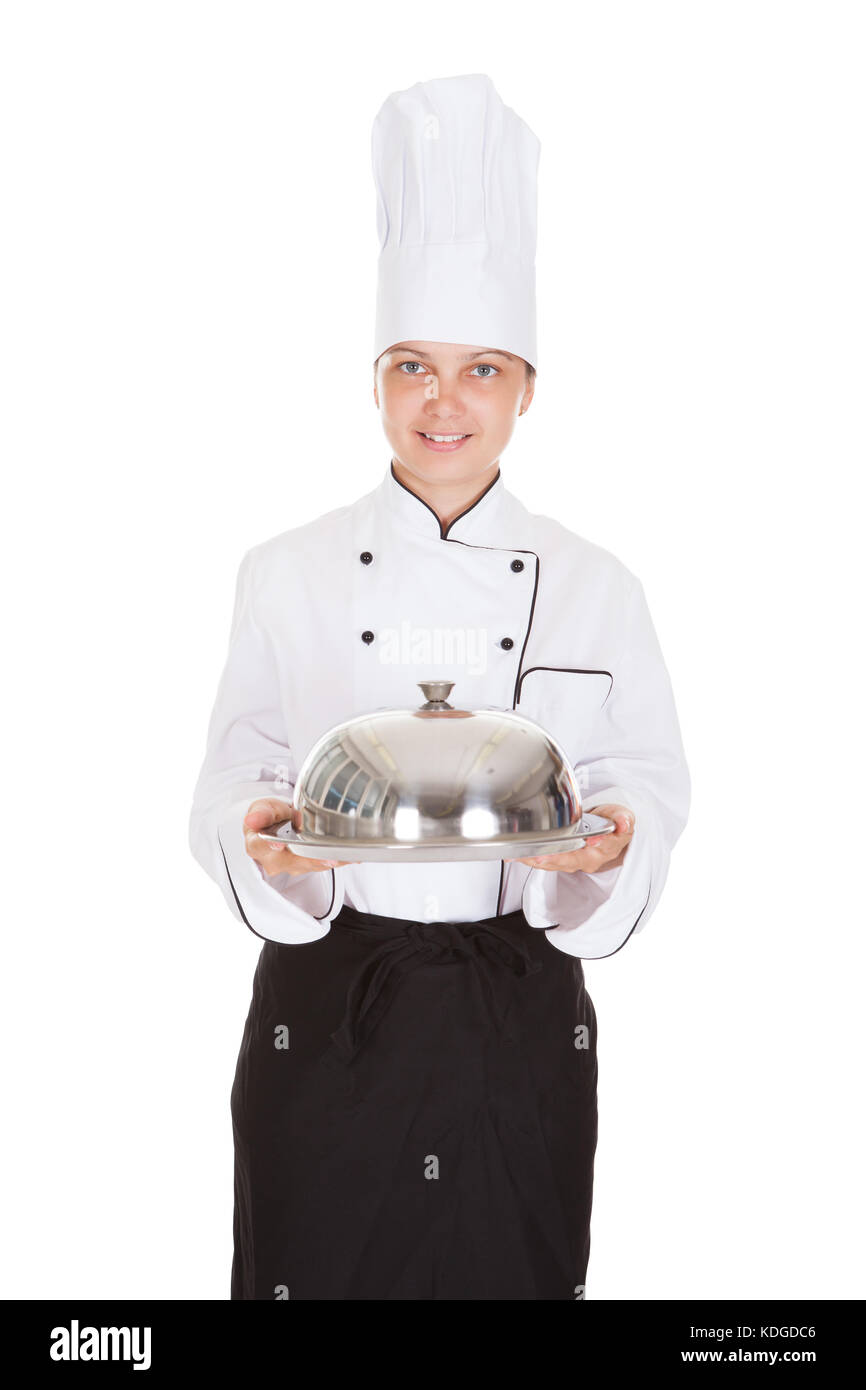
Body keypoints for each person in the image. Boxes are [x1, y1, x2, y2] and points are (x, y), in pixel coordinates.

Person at [188, 74, 690, 1300]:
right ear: (373, 381)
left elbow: (643, 784)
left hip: (514, 1009)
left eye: (479, 369)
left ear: (526, 388)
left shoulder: (595, 584)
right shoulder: (284, 573)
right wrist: (270, 853)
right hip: (329, 1002)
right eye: (411, 364)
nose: (442, 401)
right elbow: (233, 777)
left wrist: (615, 845)